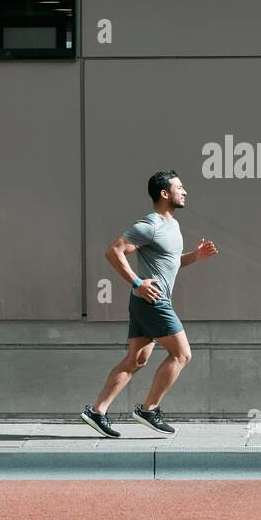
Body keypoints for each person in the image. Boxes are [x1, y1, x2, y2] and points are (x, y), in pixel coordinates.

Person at [81, 170, 218, 437]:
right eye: (179, 187)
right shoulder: (150, 224)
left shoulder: (173, 226)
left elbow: (172, 261)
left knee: (136, 360)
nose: (185, 191)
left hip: (145, 302)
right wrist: (137, 283)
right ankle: (148, 409)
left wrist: (196, 256)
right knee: (182, 354)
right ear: (164, 194)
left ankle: (96, 412)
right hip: (152, 300)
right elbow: (114, 251)